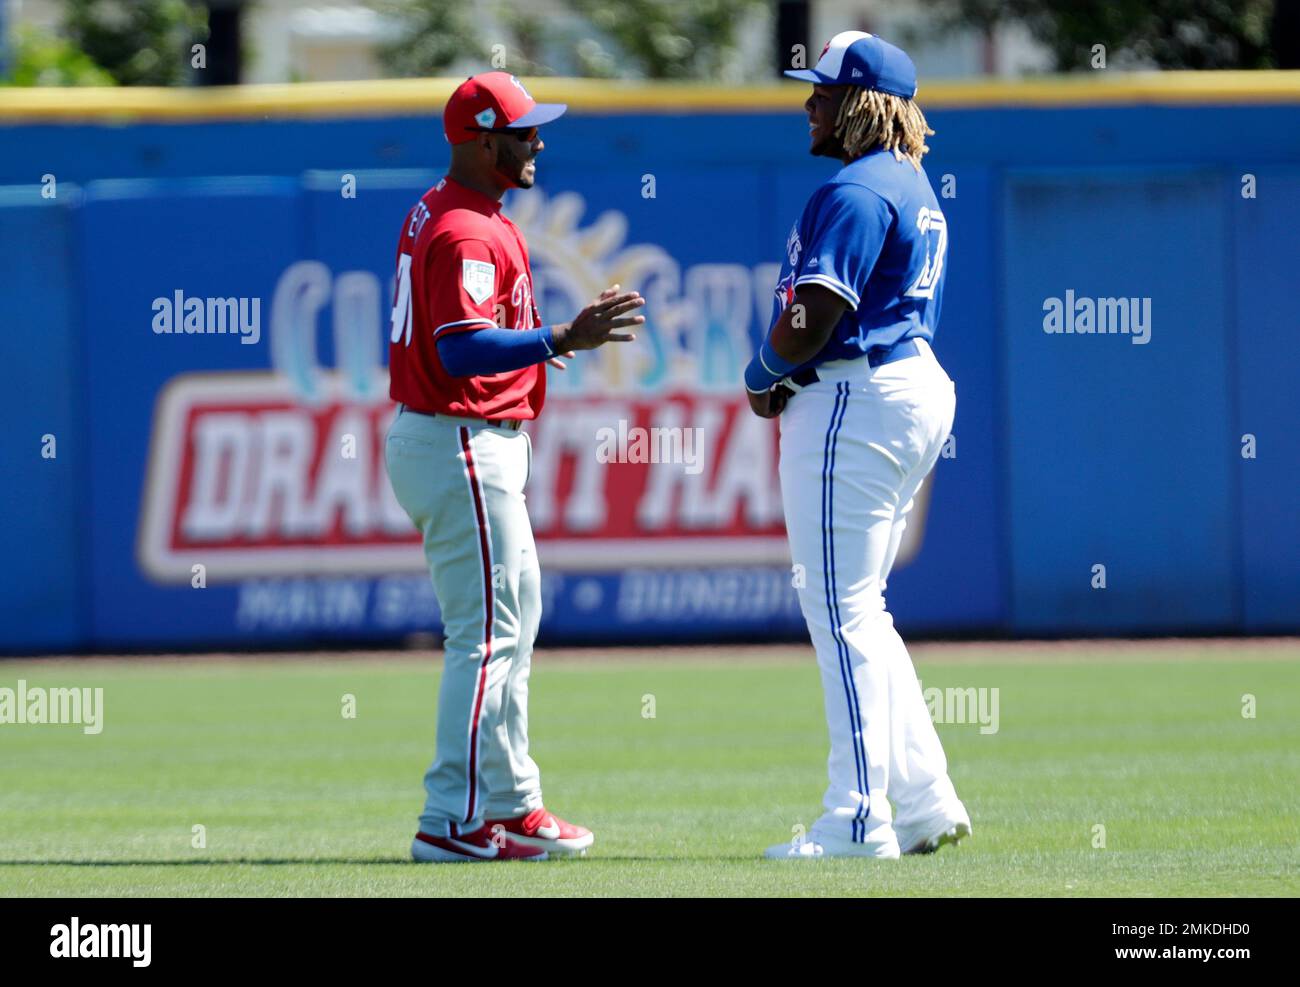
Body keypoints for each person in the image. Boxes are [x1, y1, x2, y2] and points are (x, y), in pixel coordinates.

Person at [385, 71, 645, 863]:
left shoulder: (458, 208)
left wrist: (533, 351)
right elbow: (458, 348)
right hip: (459, 439)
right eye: (523, 130)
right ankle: (452, 818)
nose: (538, 142)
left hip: (461, 436)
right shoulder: (465, 228)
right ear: (481, 138)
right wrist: (558, 339)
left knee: (512, 623)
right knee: (487, 637)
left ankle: (511, 804)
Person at [745, 33, 971, 859]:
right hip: (904, 384)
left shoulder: (856, 188)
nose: (810, 102)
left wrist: (763, 370)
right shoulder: (908, 183)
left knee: (838, 609)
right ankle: (920, 799)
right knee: (861, 607)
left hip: (854, 390)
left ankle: (858, 817)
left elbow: (813, 315)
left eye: (823, 91)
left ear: (862, 102)